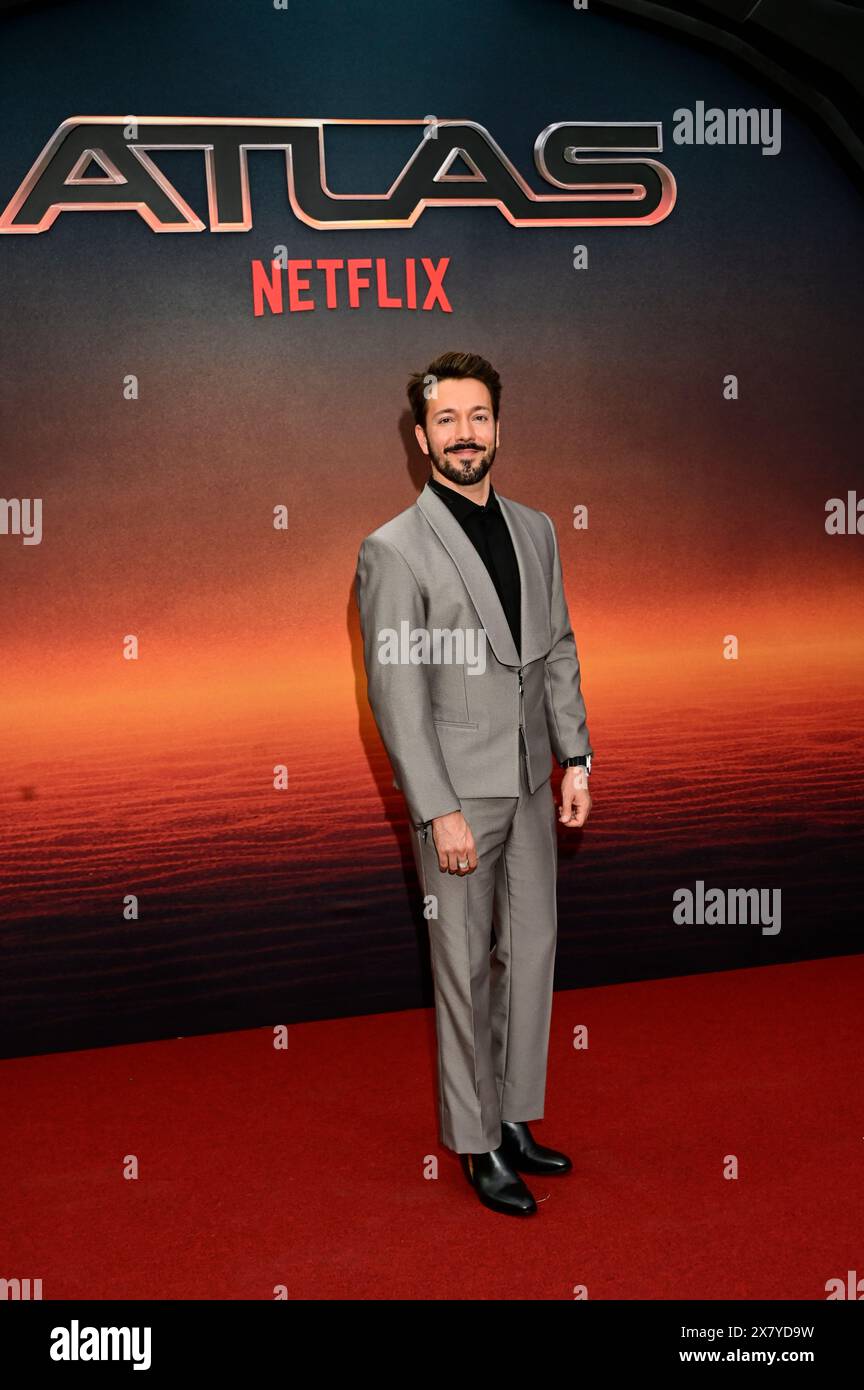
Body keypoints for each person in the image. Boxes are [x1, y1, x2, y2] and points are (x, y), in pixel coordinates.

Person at [355, 350, 593, 1216]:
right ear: (421, 438)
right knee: (463, 968)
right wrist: (438, 811)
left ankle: (516, 1116)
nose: (466, 434)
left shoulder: (536, 528)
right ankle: (476, 1140)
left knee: (528, 956)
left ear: (498, 427)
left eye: (479, 417)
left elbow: (559, 645)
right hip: (458, 797)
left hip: (534, 782)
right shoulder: (392, 550)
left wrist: (578, 757)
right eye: (447, 420)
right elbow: (397, 696)